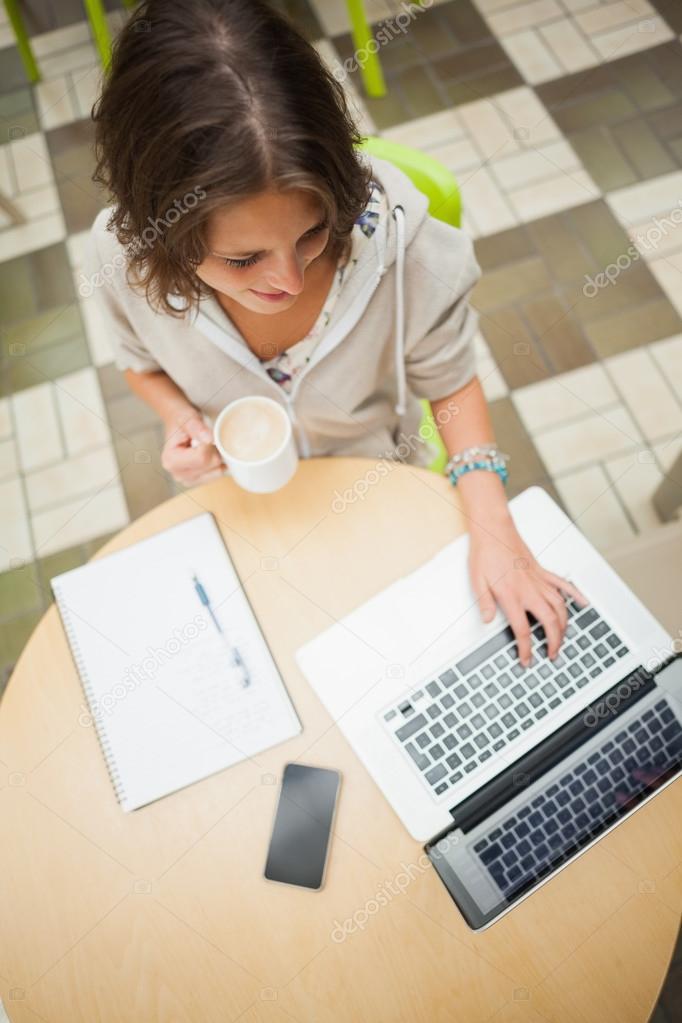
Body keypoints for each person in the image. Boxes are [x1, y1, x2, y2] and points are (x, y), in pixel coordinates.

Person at [85, 0, 586, 667]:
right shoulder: (123, 256)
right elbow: (138, 363)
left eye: (313, 234)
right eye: (243, 260)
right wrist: (179, 417)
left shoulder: (404, 249)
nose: (289, 281)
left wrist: (496, 527)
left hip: (377, 476)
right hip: (240, 500)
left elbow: (452, 378)